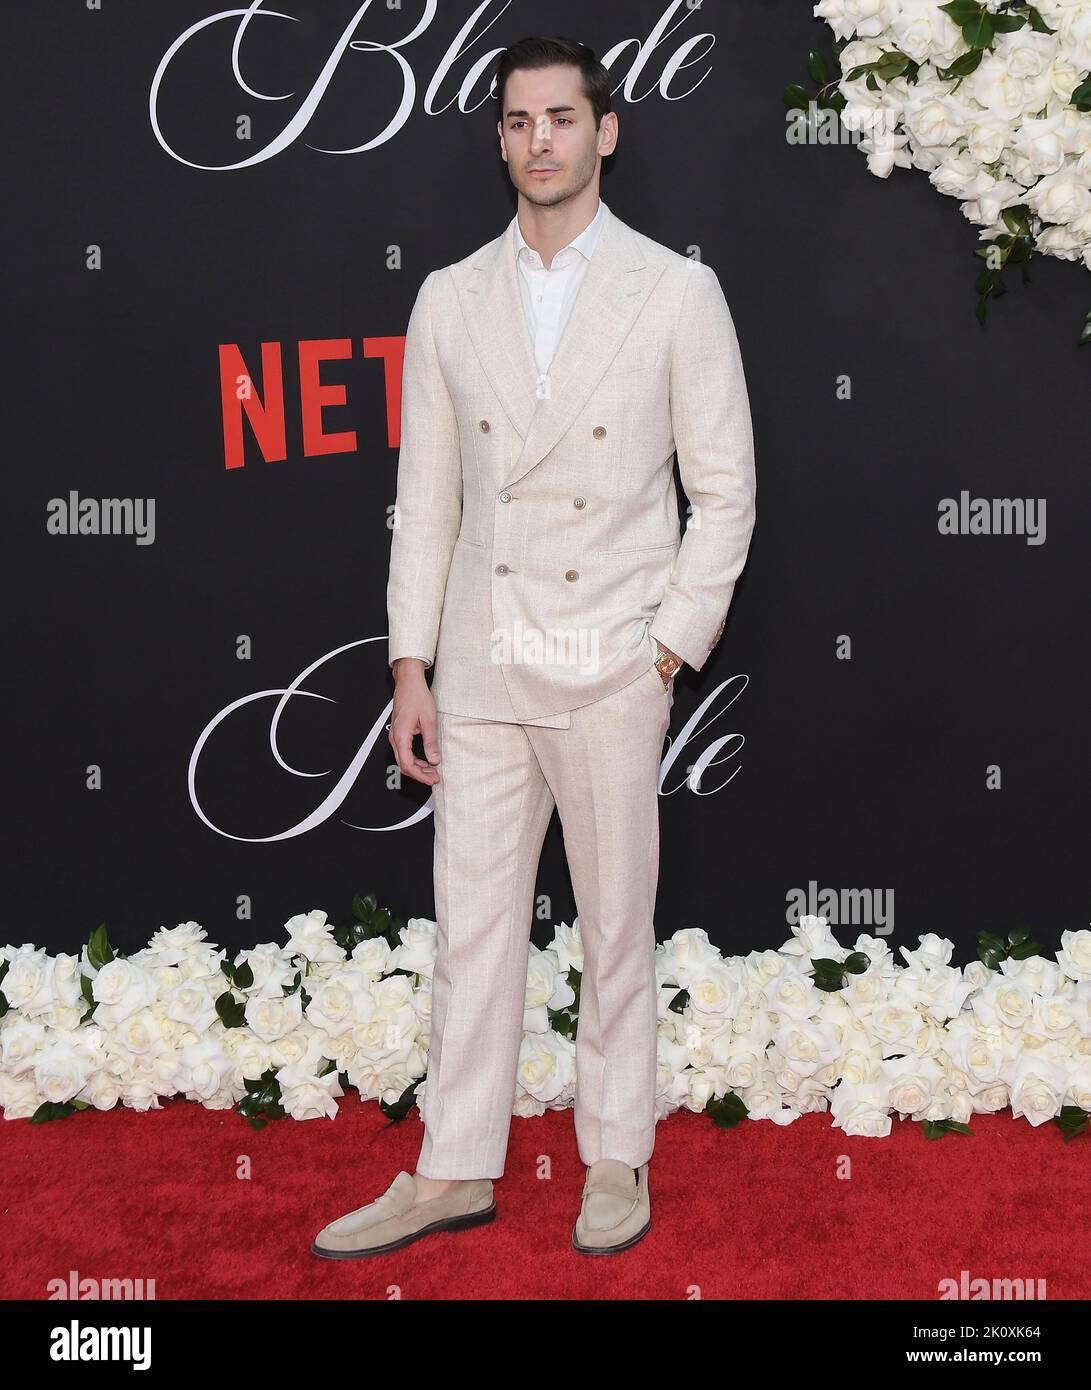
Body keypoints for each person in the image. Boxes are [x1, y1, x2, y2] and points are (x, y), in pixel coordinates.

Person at [312, 33, 756, 1260]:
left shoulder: (676, 293)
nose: (540, 141)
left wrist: (665, 647)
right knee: (470, 926)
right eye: (517, 122)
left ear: (603, 132)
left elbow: (724, 495)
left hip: (613, 659)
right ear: (499, 138)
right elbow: (429, 500)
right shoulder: (449, 296)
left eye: (561, 118)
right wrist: (411, 665)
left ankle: (615, 1156)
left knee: (614, 923)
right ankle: (453, 1165)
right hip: (483, 660)